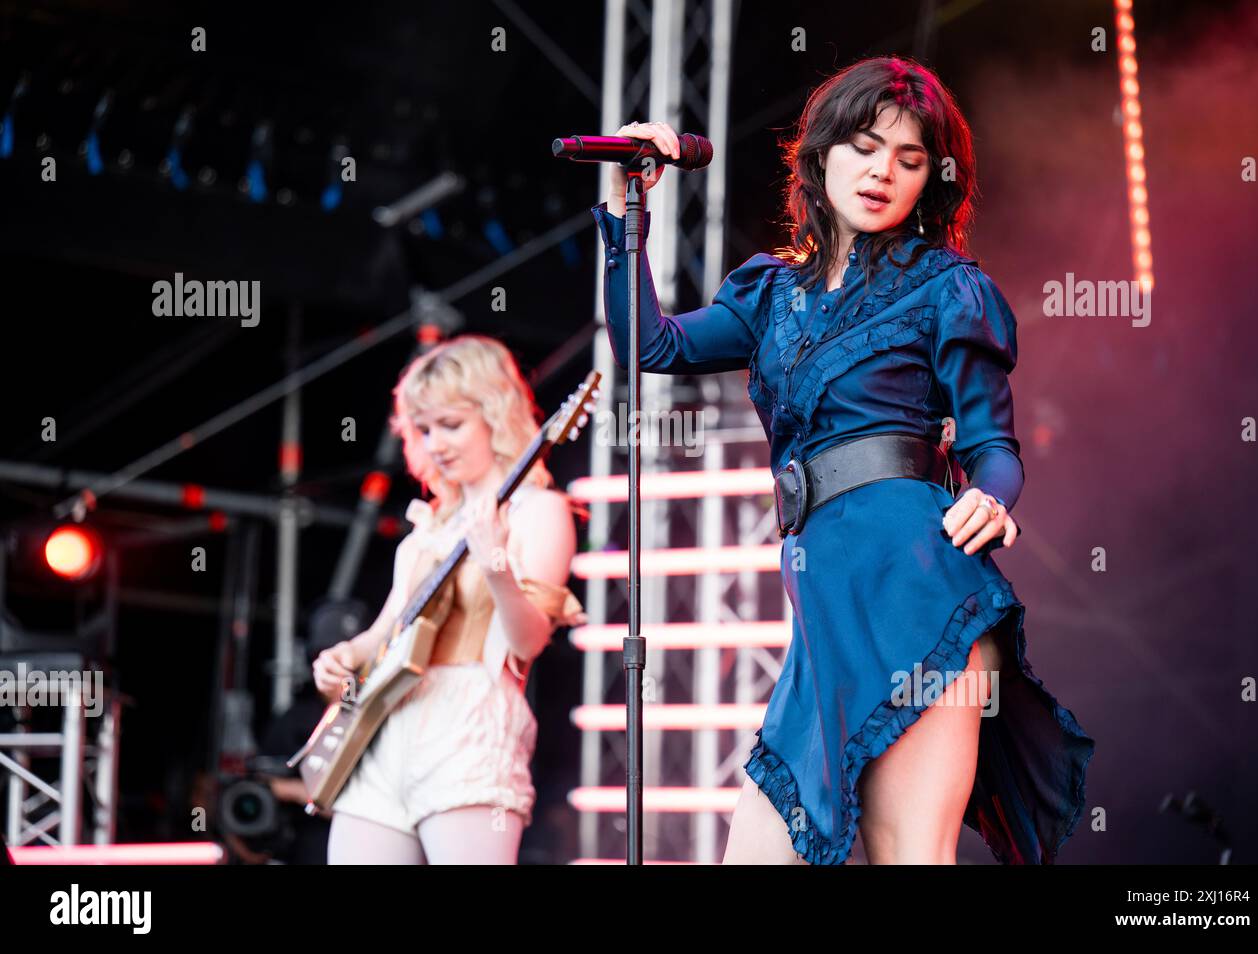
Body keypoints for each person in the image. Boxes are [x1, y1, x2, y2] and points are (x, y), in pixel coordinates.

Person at [592, 56, 1094, 865]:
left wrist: (994, 498)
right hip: (823, 608)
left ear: (932, 178)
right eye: (864, 147)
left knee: (910, 859)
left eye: (909, 158)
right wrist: (627, 210)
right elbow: (652, 343)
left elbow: (992, 447)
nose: (881, 172)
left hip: (919, 592)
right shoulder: (770, 293)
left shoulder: (947, 289)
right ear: (821, 153)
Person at [313, 334, 586, 864]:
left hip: (471, 728)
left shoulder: (539, 510)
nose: (436, 443)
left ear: (494, 414)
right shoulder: (428, 526)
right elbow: (385, 633)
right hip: (387, 726)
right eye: (424, 428)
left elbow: (528, 643)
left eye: (452, 424)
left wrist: (495, 563)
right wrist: (345, 657)